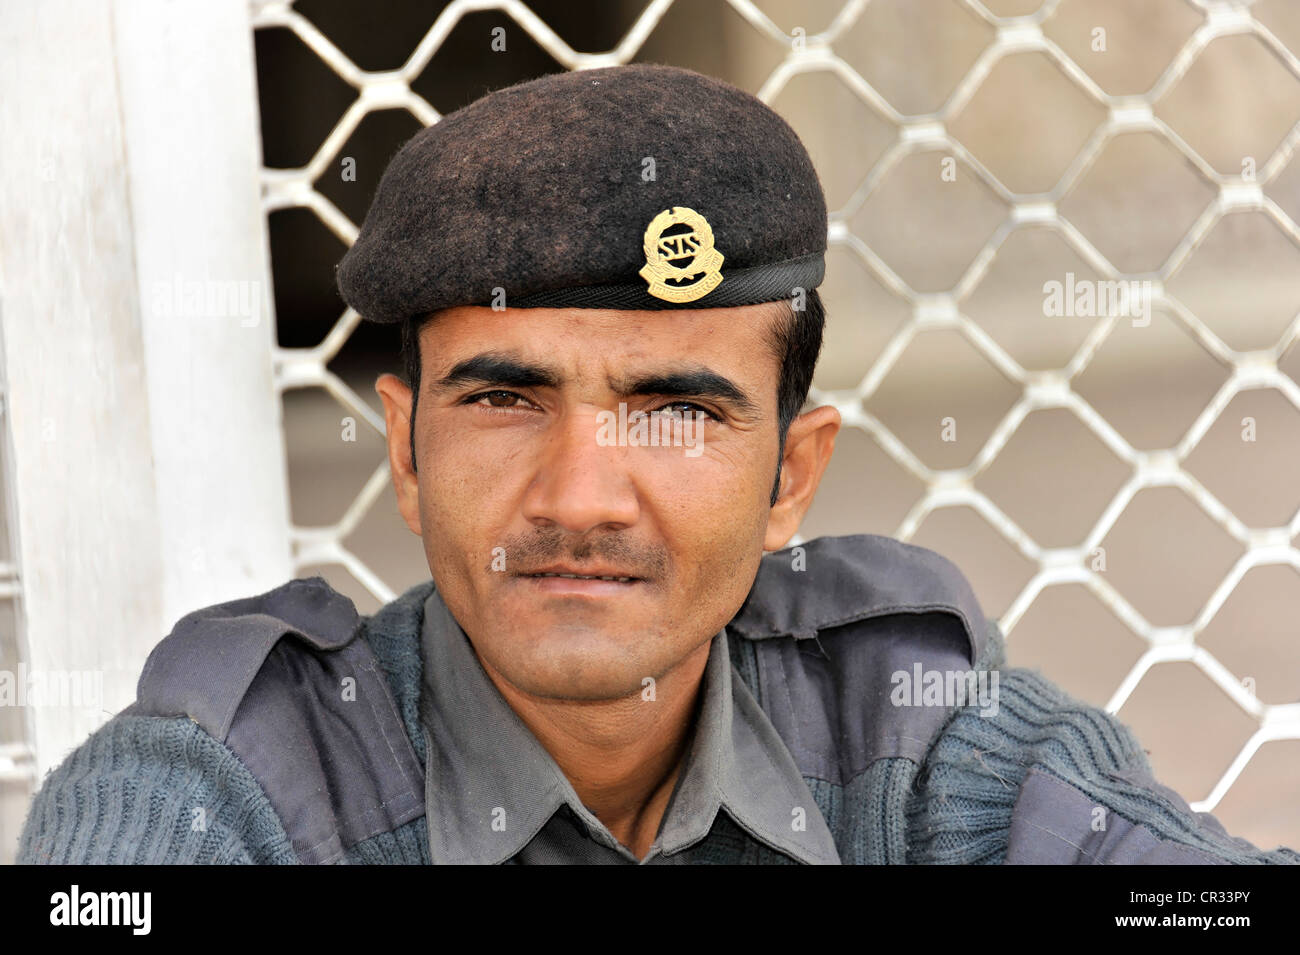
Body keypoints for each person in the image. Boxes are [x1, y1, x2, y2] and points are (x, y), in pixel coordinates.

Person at [18, 63, 1298, 865]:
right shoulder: (229, 789)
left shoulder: (916, 745)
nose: (580, 495)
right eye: (506, 399)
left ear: (791, 475)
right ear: (404, 452)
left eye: (674, 408)